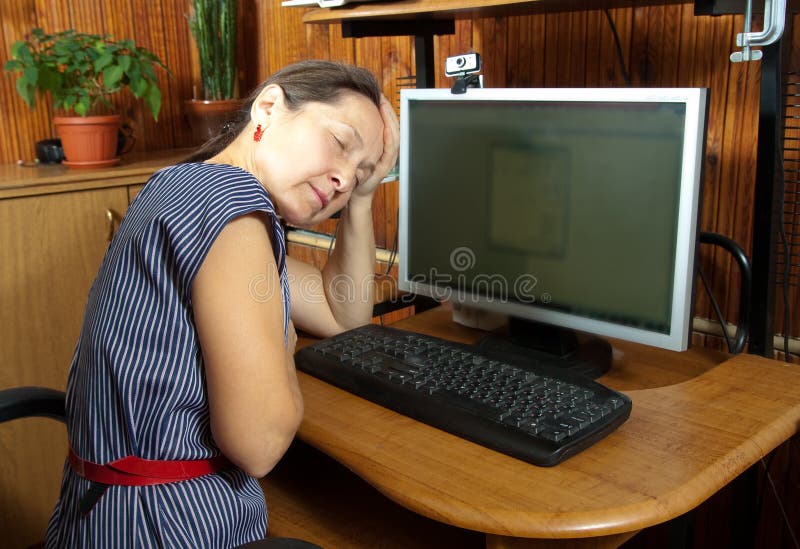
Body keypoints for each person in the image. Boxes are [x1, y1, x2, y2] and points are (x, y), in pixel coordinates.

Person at [45, 60, 400, 548]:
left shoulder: (186, 184)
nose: (344, 178)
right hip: (168, 524)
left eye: (359, 172)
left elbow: (342, 313)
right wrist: (282, 338)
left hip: (101, 512)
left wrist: (364, 196)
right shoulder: (231, 211)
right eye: (340, 143)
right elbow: (261, 446)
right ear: (269, 107)